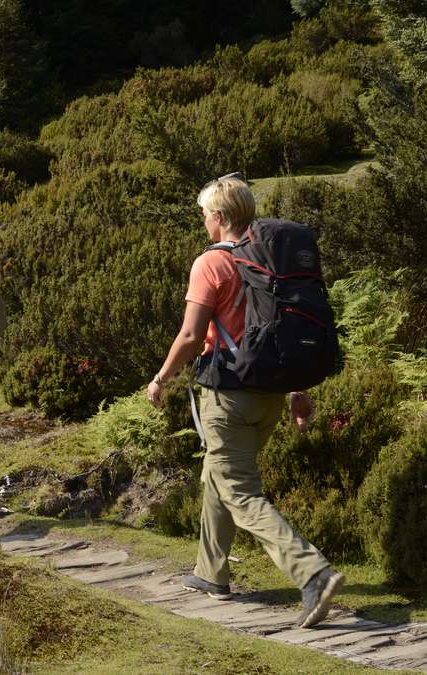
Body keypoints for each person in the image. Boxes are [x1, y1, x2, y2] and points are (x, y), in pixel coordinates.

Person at [147, 175, 344, 629]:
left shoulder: (210, 264)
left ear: (218, 217)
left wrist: (161, 378)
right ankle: (210, 573)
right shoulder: (271, 262)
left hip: (229, 394)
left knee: (238, 490)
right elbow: (284, 330)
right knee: (219, 475)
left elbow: (193, 336)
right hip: (271, 395)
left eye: (204, 214)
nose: (202, 222)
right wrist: (298, 391)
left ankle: (311, 571)